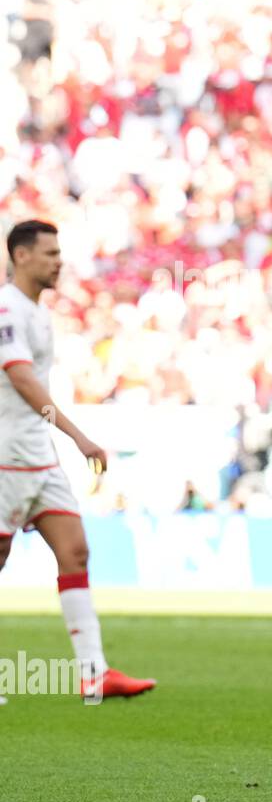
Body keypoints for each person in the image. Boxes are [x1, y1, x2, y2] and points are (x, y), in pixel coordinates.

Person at [0, 221, 156, 700]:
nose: (58, 261)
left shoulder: (38, 313)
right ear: (21, 256)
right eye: (49, 253)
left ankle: (94, 672)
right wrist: (78, 435)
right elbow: (23, 381)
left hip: (38, 459)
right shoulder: (8, 308)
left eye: (59, 252)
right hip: (6, 456)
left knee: (75, 552)